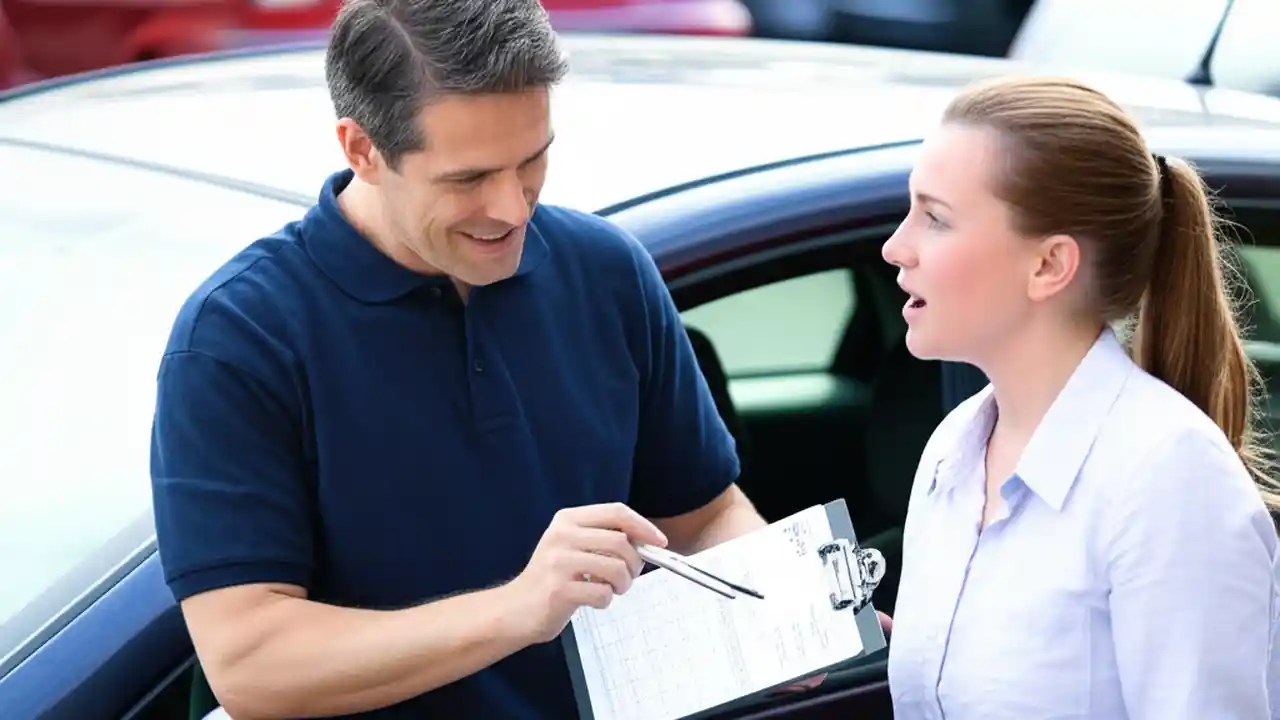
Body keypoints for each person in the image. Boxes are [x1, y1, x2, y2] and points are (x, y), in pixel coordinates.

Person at [147, 1, 774, 718]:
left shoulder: (607, 273)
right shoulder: (239, 339)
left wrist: (784, 611)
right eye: (468, 179)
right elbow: (251, 664)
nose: (512, 207)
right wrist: (516, 610)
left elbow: (705, 515)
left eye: (532, 159)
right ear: (362, 150)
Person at [882, 75, 1280, 719]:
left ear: (1049, 266)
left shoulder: (1169, 478)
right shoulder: (955, 448)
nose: (896, 247)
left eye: (935, 218)